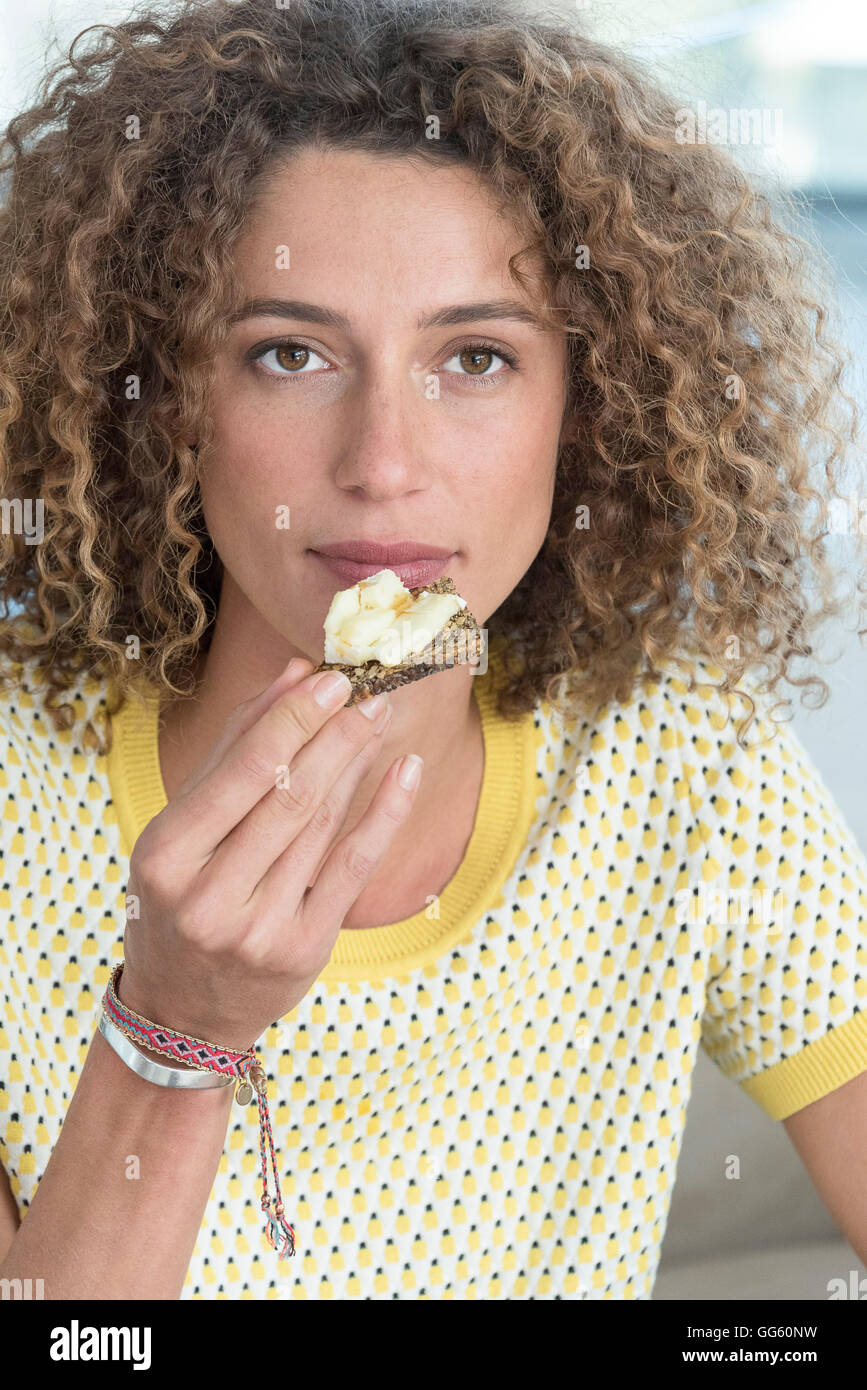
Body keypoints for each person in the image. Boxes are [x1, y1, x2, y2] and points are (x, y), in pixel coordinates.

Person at [0, 0, 865, 1302]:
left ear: (590, 408)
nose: (382, 466)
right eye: (288, 354)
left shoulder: (689, 758)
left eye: (475, 358)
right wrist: (171, 1036)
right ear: (170, 403)